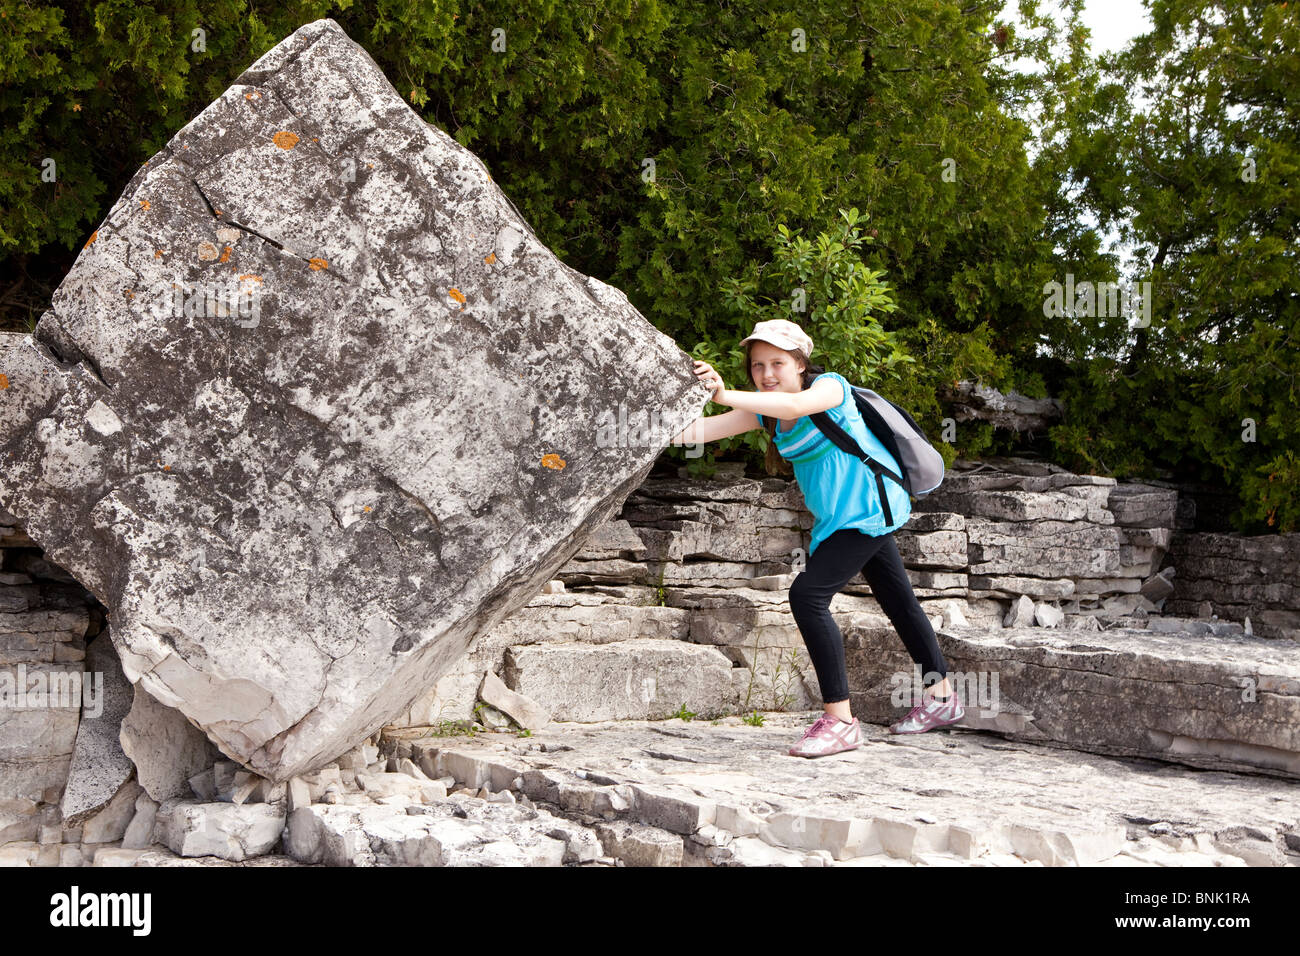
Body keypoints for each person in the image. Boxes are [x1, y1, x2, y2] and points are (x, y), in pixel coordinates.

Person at [671, 319, 963, 758]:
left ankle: (840, 721)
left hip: (868, 509)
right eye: (757, 366)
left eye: (778, 363)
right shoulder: (764, 411)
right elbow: (695, 433)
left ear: (800, 364)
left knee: (807, 596)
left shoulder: (829, 388)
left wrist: (722, 392)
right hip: (839, 520)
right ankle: (942, 698)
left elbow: (795, 408)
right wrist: (622, 432)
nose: (767, 374)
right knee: (899, 601)